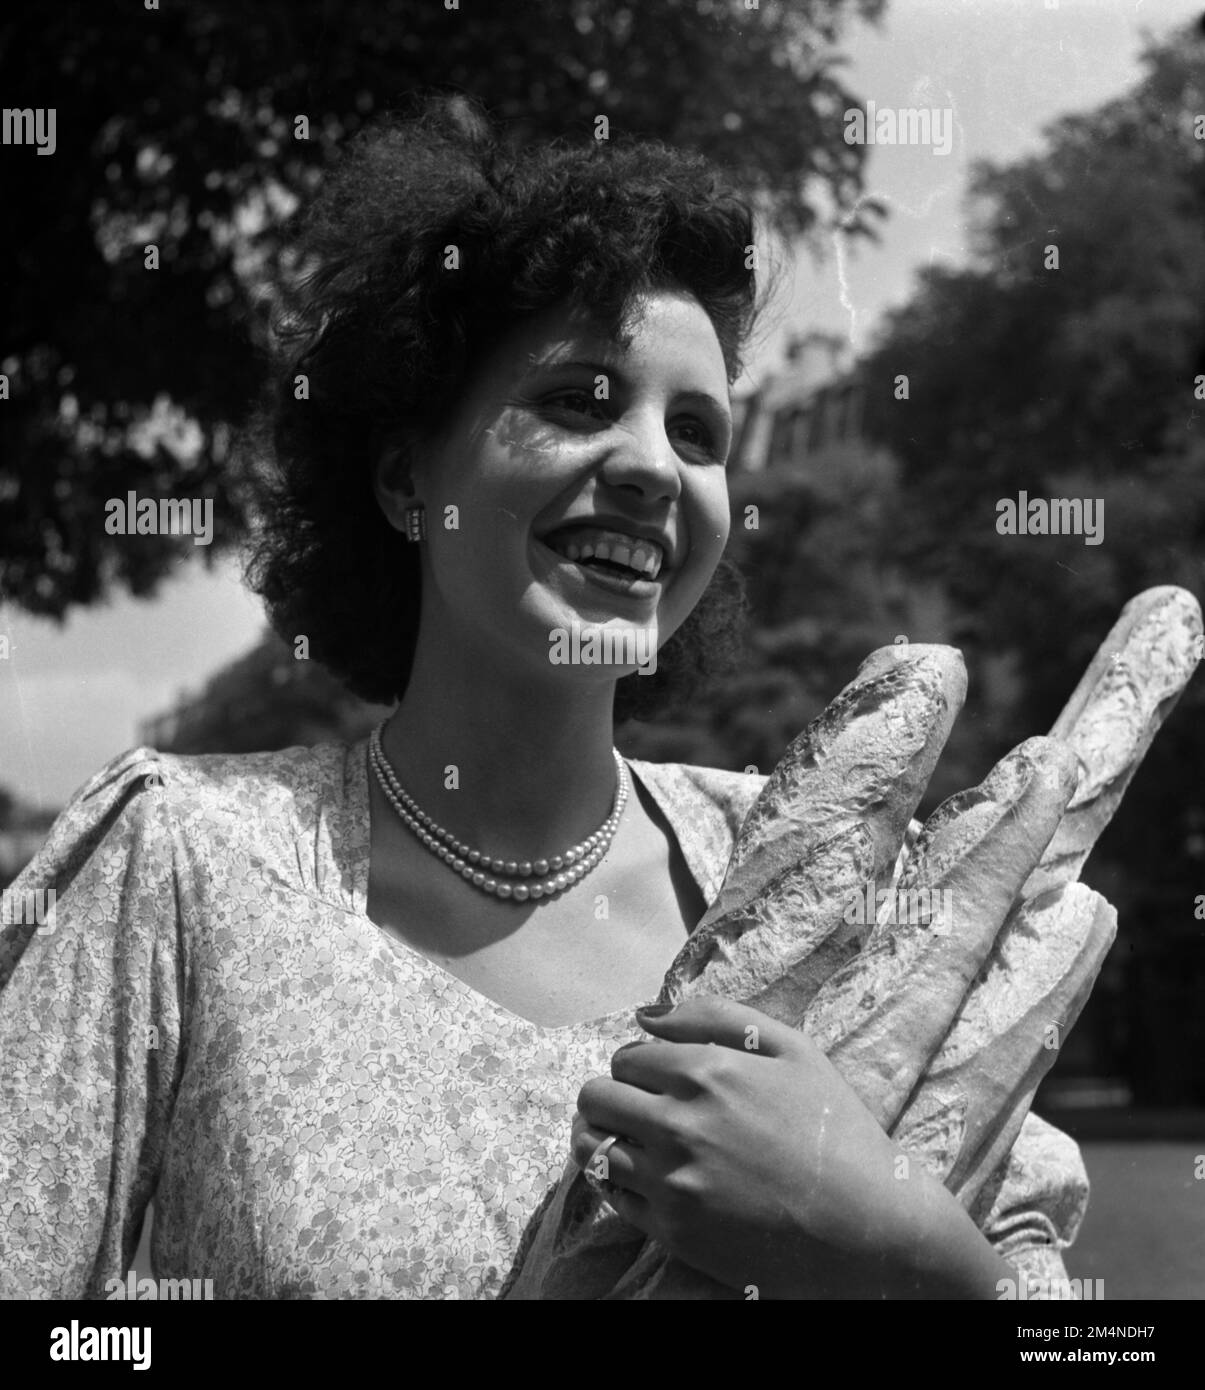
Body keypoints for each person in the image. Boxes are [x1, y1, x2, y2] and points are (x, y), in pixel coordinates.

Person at [0, 96, 1088, 1300]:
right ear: (408, 475)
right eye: (579, 399)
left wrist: (895, 1251)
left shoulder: (823, 875)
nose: (647, 466)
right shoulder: (185, 863)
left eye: (696, 430)